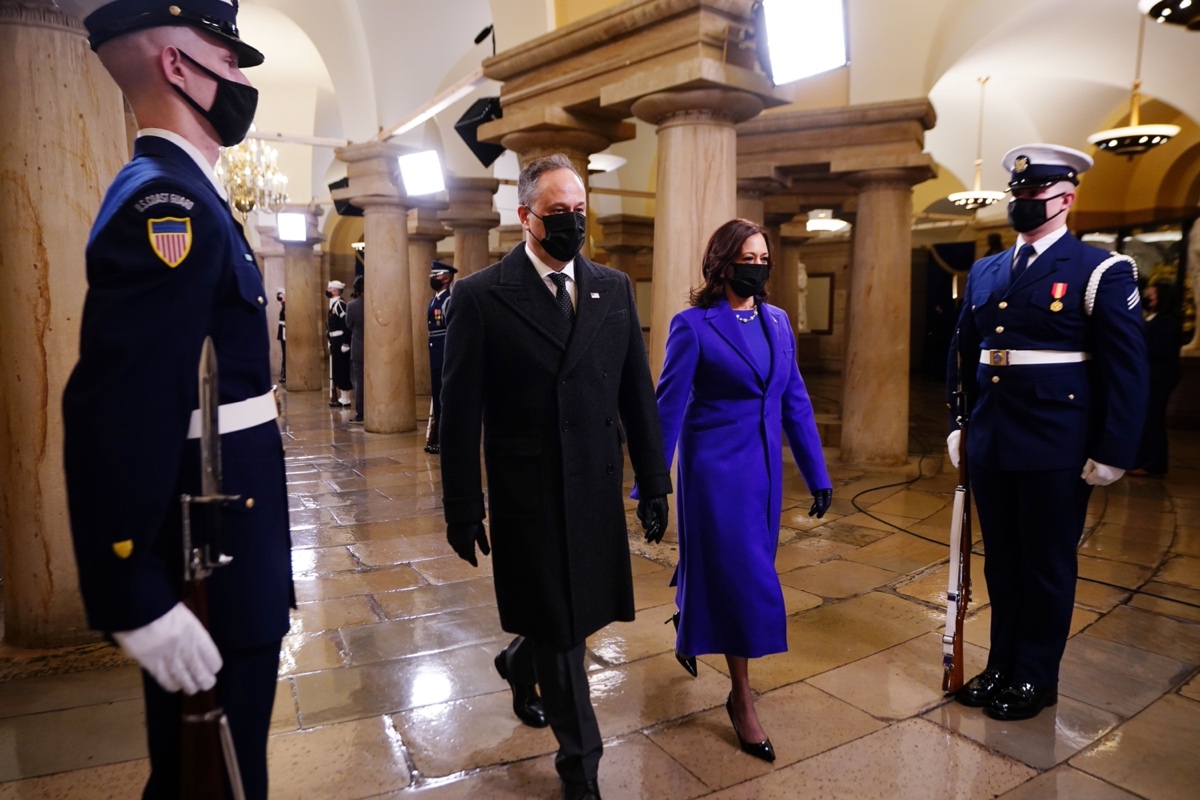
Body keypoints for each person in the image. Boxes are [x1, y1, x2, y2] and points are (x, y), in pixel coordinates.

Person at [59, 2, 293, 798]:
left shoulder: (187, 193)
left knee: (215, 768)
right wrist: (134, 595)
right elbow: (118, 410)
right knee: (216, 779)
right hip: (212, 554)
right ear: (176, 65)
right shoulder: (170, 206)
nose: (238, 76)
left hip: (230, 544)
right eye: (227, 56)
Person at [438, 154, 671, 800]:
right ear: (525, 217)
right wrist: (462, 504)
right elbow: (460, 414)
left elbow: (636, 395)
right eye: (558, 213)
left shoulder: (613, 288)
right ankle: (581, 766)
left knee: (570, 614)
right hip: (527, 493)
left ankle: (519, 660)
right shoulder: (482, 296)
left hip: (593, 484)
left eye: (579, 212)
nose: (571, 223)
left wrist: (654, 482)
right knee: (564, 629)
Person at [947, 144, 1148, 721]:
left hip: (1057, 441)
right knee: (1001, 561)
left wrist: (1113, 449)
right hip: (993, 437)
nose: (1023, 204)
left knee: (1046, 564)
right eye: (1018, 196)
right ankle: (1001, 665)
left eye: (1034, 196)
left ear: (1067, 198)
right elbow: (965, 353)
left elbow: (1127, 368)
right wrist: (960, 419)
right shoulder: (987, 269)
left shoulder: (1100, 269)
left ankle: (1036, 676)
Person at [649, 218, 832, 762]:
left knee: (736, 571)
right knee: (747, 579)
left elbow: (794, 400)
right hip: (715, 474)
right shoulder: (694, 326)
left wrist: (817, 474)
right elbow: (670, 405)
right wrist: (655, 484)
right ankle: (742, 698)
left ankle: (693, 608)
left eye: (763, 258)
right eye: (746, 259)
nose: (757, 267)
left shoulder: (777, 322)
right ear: (722, 264)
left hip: (765, 475)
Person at [1132, 281, 1183, 476]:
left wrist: (1136, 349)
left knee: (1153, 420)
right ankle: (1144, 459)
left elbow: (1161, 350)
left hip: (1159, 377)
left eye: (1153, 295)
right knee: (1147, 420)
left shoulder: (1167, 321)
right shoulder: (1155, 318)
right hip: (1151, 376)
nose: (1148, 298)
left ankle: (1153, 463)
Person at [425, 260, 456, 453]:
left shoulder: (448, 300)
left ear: (445, 278)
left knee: (444, 398)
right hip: (435, 353)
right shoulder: (435, 299)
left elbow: (452, 330)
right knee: (437, 397)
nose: (432, 279)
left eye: (435, 276)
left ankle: (445, 439)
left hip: (443, 353)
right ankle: (437, 437)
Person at [327, 279, 352, 407]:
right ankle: (341, 395)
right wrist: (329, 339)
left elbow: (346, 325)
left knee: (342, 368)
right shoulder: (333, 304)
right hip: (334, 340)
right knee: (336, 368)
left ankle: (345, 397)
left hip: (341, 340)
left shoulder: (340, 305)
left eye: (330, 289)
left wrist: (346, 343)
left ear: (336, 291)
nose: (328, 291)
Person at [346, 275, 365, 424]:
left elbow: (349, 325)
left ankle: (361, 414)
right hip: (376, 349)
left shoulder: (352, 306)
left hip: (358, 347)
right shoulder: (375, 303)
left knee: (359, 382)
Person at [276, 288, 286, 384]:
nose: (279, 296)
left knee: (285, 353)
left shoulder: (286, 306)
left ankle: (285, 374)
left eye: (281, 294)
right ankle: (284, 374)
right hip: (282, 330)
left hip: (285, 331)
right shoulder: (283, 305)